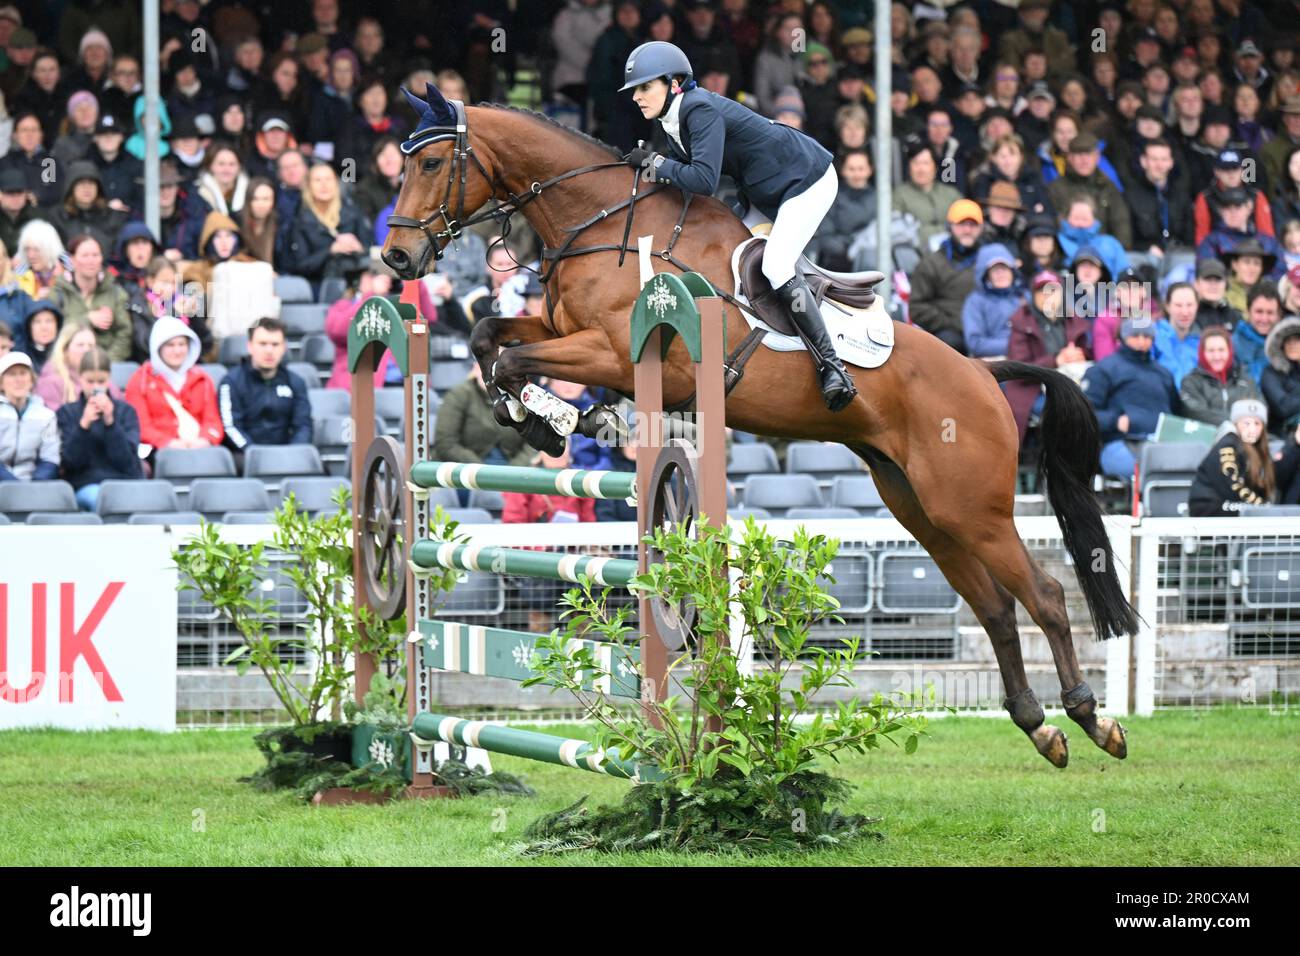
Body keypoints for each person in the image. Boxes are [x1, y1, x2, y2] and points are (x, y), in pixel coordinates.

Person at [620, 40, 857, 410]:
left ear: (675, 83)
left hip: (806, 179)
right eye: (635, 89)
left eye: (645, 87)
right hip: (763, 188)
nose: (636, 96)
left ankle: (833, 366)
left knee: (776, 265)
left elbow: (702, 181)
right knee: (720, 251)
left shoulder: (698, 109)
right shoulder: (672, 118)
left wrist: (657, 164)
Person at [1081, 318, 1181, 479]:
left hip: (1163, 444)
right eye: (1135, 335)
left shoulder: (1164, 374)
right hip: (1120, 444)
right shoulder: (1103, 370)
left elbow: (1177, 413)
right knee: (1153, 468)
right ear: (1123, 337)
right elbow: (1082, 416)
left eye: (1147, 336)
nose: (1141, 341)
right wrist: (1115, 421)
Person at [1005, 271, 1091, 442]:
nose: (1047, 296)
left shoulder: (1074, 318)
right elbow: (1018, 368)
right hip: (1033, 389)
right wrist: (1056, 360)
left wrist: (1080, 355)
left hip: (1072, 383)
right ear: (1033, 296)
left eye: (1052, 290)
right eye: (1041, 291)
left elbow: (1089, 351)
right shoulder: (1022, 321)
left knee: (1095, 405)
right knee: (1065, 411)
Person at [55, 346, 142, 510]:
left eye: (101, 381)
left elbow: (128, 463)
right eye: (90, 381)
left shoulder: (126, 412)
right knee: (99, 498)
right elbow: (70, 463)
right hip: (84, 486)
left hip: (123, 484)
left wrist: (110, 423)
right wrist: (83, 425)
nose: (95, 387)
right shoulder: (66, 413)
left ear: (109, 379)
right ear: (80, 379)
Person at [125, 315, 223, 453]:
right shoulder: (139, 381)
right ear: (158, 348)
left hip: (200, 449)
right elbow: (141, 426)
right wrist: (168, 443)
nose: (177, 351)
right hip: (158, 452)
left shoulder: (203, 379)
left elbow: (213, 422)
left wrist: (205, 440)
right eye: (170, 345)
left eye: (182, 344)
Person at [218, 317, 311, 456]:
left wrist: (293, 454)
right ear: (250, 346)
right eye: (263, 344)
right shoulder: (231, 382)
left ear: (284, 348)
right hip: (244, 457)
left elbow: (303, 426)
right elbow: (230, 427)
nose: (269, 350)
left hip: (287, 456)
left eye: (275, 344)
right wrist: (254, 454)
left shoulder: (296, 382)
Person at [1188, 400, 1300, 516]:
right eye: (1246, 423)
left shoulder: (1258, 448)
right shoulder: (1227, 445)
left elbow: (1276, 477)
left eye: (1257, 423)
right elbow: (1232, 487)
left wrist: (1296, 445)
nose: (1252, 429)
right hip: (1210, 508)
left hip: (1232, 506)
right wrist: (1263, 506)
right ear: (1236, 424)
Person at [432, 361, 539, 474]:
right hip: (465, 470)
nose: (492, 376)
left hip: (512, 471)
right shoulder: (459, 395)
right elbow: (446, 443)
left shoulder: (522, 397)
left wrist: (513, 471)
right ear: (476, 368)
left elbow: (534, 442)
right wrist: (481, 471)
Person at [908, 198, 984, 353]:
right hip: (950, 333)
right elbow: (917, 308)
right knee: (949, 343)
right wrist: (951, 323)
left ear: (981, 228)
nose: (967, 230)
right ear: (950, 227)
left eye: (973, 225)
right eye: (962, 224)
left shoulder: (990, 260)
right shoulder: (932, 262)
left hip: (987, 331)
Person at [47, 235, 133, 362]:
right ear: (72, 260)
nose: (91, 260)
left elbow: (125, 334)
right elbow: (50, 331)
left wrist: (105, 362)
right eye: (85, 255)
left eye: (95, 255)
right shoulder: (58, 292)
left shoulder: (115, 292)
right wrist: (87, 319)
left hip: (106, 366)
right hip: (66, 364)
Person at [282, 161, 369, 287]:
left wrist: (359, 248)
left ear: (336, 183)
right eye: (317, 180)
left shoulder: (353, 213)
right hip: (318, 285)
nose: (324, 185)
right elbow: (300, 265)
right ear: (308, 186)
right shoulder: (299, 221)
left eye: (328, 179)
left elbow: (371, 250)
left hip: (356, 280)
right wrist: (331, 250)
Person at [1046, 133, 1133, 249]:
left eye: (1088, 154)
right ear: (1070, 158)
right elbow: (1052, 226)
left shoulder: (1108, 187)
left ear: (1097, 158)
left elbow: (1121, 224)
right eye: (1078, 155)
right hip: (1066, 251)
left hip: (1103, 252)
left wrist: (1118, 252)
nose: (1084, 160)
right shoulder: (1055, 189)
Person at [325, 268, 397, 389]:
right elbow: (337, 331)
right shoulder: (343, 306)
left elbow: (430, 317)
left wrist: (415, 282)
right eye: (375, 274)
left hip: (401, 385)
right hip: (358, 386)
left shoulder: (395, 307)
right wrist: (371, 295)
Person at [1179, 326, 1262, 426]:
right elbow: (1198, 413)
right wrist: (1237, 421)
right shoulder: (1191, 382)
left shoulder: (1245, 380)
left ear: (1230, 351)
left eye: (1221, 350)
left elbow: (1259, 409)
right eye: (1211, 351)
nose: (1217, 357)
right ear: (1202, 353)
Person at [893, 141, 963, 252]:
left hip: (951, 253)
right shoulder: (899, 195)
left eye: (926, 163)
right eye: (916, 163)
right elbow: (896, 230)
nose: (921, 169)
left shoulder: (951, 194)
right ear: (909, 168)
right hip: (914, 252)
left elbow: (964, 224)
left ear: (935, 168)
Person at [1127, 138, 1194, 254]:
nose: (1159, 165)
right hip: (1144, 257)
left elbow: (1190, 236)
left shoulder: (1182, 196)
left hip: (1178, 256)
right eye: (1154, 159)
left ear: (1171, 163)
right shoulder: (1130, 196)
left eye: (1164, 159)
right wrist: (1146, 248)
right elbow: (1126, 238)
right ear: (1143, 162)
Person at [0, 350, 58, 481]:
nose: (18, 380)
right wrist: (13, 485)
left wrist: (34, 485)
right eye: (11, 374)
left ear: (31, 380)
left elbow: (50, 458)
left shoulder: (47, 416)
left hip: (32, 484)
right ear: (1, 383)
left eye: (23, 373)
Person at [961, 244, 1025, 361]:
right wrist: (1016, 345)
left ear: (1012, 271)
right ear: (986, 275)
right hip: (993, 360)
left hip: (1030, 356)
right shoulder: (975, 301)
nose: (1001, 274)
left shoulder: (1025, 296)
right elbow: (975, 343)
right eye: (995, 270)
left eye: (1004, 268)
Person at [46, 162, 127, 251]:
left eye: (91, 183)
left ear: (98, 187)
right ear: (71, 187)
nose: (87, 188)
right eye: (81, 183)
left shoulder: (112, 217)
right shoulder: (57, 217)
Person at [1153, 283, 1202, 388]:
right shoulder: (1153, 337)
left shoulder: (1203, 342)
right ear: (1167, 306)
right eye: (1178, 305)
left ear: (1197, 306)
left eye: (1189, 305)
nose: (1185, 312)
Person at [1233, 283, 1283, 382]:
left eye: (1270, 313)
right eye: (1259, 312)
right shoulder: (1233, 345)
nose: (1264, 319)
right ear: (1248, 312)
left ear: (1278, 315)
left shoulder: (1287, 345)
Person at [1261, 314, 1300, 435]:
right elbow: (1283, 407)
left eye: (1297, 340)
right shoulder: (1271, 373)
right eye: (1288, 340)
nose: (1292, 345)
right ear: (1281, 345)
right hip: (1282, 434)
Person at [11, 220, 66, 301]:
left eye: (36, 250)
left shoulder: (66, 273)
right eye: (27, 249)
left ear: (50, 249)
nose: (30, 255)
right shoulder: (19, 276)